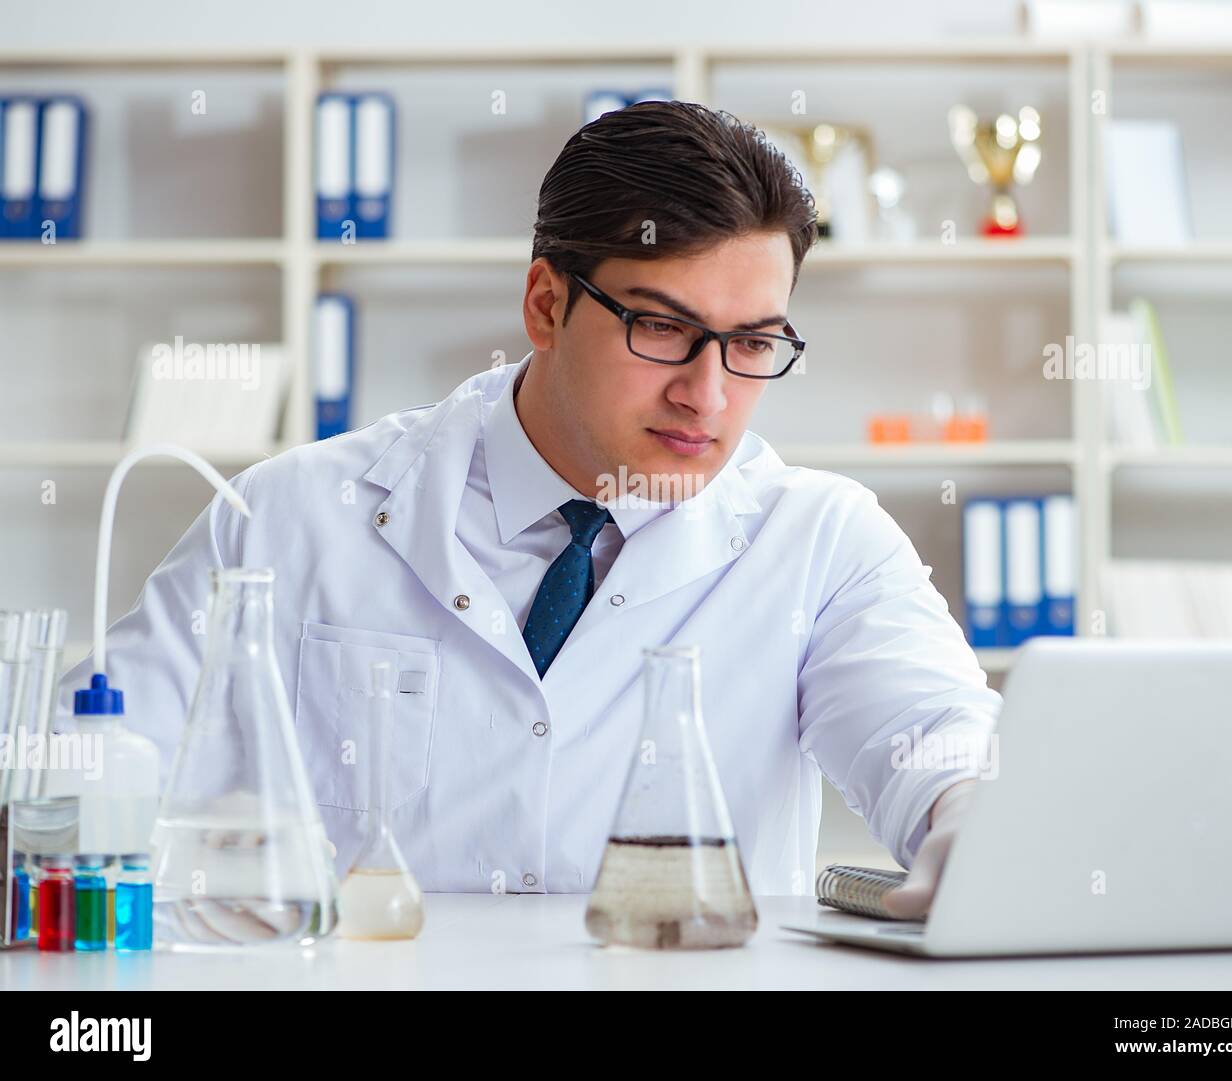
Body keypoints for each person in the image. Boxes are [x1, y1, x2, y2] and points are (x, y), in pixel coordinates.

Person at [63, 101, 998, 909]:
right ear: (546, 305)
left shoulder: (823, 545)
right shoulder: (288, 518)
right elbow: (86, 780)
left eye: (753, 343)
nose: (707, 397)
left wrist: (970, 820)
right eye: (662, 327)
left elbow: (932, 740)